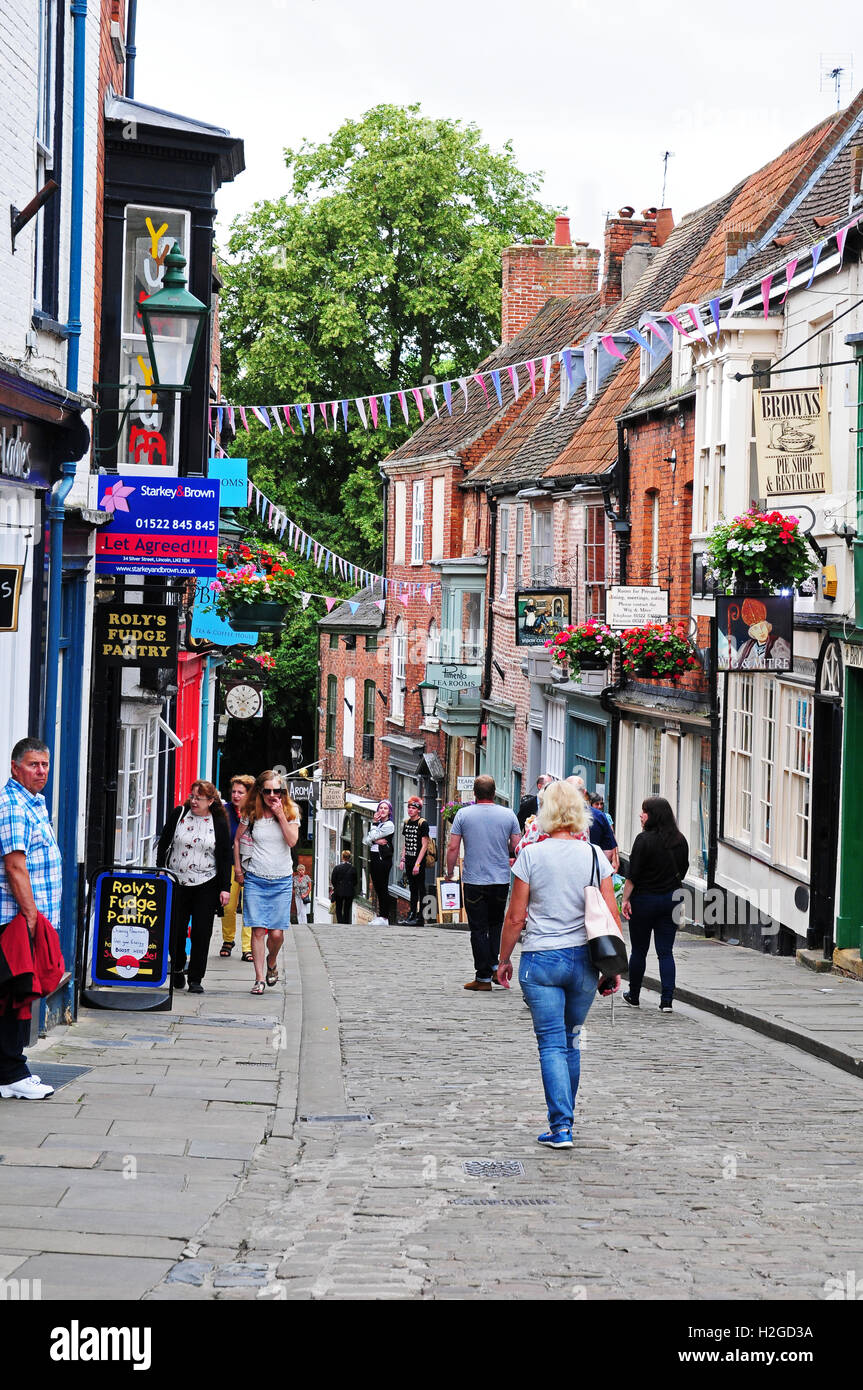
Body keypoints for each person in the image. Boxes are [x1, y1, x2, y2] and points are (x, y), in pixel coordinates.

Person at [497, 780, 621, 1148]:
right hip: (584, 961)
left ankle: (561, 1127)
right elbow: (610, 916)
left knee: (551, 1044)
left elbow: (515, 918)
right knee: (571, 1041)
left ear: (546, 814)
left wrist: (503, 960)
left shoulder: (530, 857)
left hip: (542, 960)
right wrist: (612, 969)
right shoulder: (596, 856)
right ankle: (565, 1123)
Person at [0, 739, 63, 1100]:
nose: (40, 771)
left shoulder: (33, 804)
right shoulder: (12, 806)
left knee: (17, 996)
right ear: (15, 768)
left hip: (28, 919)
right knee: (14, 995)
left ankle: (10, 1068)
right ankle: (11, 1072)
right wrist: (30, 917)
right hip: (14, 920)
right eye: (33, 765)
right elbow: (15, 866)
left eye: (44, 765)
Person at [445, 775, 520, 991]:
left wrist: (450, 872)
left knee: (478, 928)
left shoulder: (463, 815)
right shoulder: (508, 815)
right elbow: (517, 847)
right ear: (494, 793)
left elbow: (452, 848)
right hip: (500, 879)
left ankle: (483, 977)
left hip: (474, 880)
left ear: (475, 794)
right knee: (496, 925)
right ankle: (496, 966)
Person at [157, 780, 232, 994]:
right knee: (175, 930)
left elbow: (225, 855)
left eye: (198, 798)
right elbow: (164, 842)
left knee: (201, 931)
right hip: (176, 881)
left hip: (206, 883)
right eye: (192, 796)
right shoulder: (180, 813)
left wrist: (225, 887)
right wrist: (161, 868)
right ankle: (178, 967)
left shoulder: (217, 820)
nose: (194, 801)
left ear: (210, 801)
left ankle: (196, 977)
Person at [234, 771, 299, 996]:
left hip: (281, 880)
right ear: (260, 792)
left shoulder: (291, 812)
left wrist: (280, 814)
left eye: (277, 791)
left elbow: (292, 841)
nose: (273, 795)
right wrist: (238, 868)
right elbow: (237, 839)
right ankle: (260, 978)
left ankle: (272, 961)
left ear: (283, 792)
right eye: (268, 791)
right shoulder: (251, 813)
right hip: (256, 878)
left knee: (277, 934)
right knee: (258, 929)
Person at [622, 796, 688, 1013]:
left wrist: (624, 900)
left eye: (644, 811)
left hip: (644, 900)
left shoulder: (643, 840)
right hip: (671, 900)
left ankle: (634, 995)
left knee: (639, 950)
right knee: (665, 952)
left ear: (653, 815)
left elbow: (633, 876)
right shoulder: (680, 841)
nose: (640, 815)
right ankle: (667, 1001)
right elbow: (683, 870)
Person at [220, 774, 255, 961]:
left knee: (248, 907)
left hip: (250, 865)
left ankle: (247, 947)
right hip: (229, 865)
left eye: (240, 792)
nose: (235, 795)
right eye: (233, 791)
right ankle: (228, 939)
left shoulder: (254, 812)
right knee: (228, 905)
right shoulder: (223, 811)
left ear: (248, 794)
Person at [364, 800, 395, 925]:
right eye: (380, 808)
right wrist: (375, 840)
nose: (382, 810)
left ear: (389, 812)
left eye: (385, 808)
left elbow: (371, 837)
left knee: (383, 887)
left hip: (383, 859)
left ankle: (384, 917)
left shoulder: (389, 825)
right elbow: (366, 840)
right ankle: (380, 915)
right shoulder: (377, 824)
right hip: (374, 856)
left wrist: (374, 833)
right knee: (377, 886)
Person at [399, 796, 430, 924]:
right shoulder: (406, 823)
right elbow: (406, 842)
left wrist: (418, 864)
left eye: (413, 808)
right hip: (409, 860)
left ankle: (420, 917)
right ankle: (411, 914)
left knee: (420, 888)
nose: (410, 810)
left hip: (418, 861)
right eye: (409, 807)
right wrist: (403, 858)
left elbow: (424, 845)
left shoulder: (422, 823)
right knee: (412, 888)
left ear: (418, 810)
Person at [330, 850, 357, 924]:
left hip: (339, 891)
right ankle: (346, 922)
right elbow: (355, 881)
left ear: (342, 857)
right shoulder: (353, 868)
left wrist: (337, 887)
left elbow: (333, 880)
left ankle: (340, 922)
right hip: (349, 891)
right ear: (349, 858)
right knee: (347, 908)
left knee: (339, 907)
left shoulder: (337, 868)